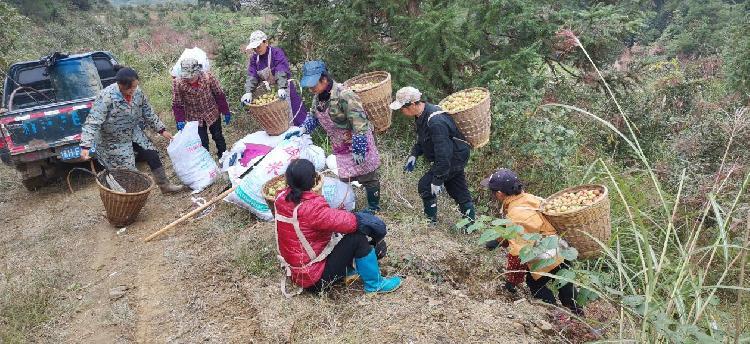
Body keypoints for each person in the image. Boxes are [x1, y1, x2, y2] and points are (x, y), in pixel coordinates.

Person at [274, 159, 401, 295]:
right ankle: (375, 284)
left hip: (298, 274)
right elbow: (350, 223)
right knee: (357, 238)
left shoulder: (280, 198)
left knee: (338, 234)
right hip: (315, 279)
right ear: (313, 181)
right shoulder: (311, 208)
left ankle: (348, 271)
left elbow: (314, 223)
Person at [481, 168, 583, 315]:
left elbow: (517, 254)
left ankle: (555, 314)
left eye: (493, 192)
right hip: (562, 247)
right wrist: (498, 241)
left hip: (546, 253)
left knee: (535, 285)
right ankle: (577, 315)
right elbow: (518, 227)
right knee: (565, 284)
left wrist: (512, 281)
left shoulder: (515, 213)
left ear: (499, 194)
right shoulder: (531, 198)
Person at [293, 60, 382, 213]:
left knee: (368, 175)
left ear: (324, 79)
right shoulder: (318, 98)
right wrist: (304, 128)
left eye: (314, 85)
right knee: (345, 177)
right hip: (340, 144)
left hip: (357, 140)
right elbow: (314, 116)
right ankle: (347, 203)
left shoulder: (344, 94)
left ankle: (374, 206)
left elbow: (360, 121)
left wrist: (359, 147)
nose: (311, 89)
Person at [80, 66, 182, 193]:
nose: (133, 90)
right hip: (113, 140)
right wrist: (85, 146)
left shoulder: (137, 92)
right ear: (120, 85)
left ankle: (165, 185)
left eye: (135, 86)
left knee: (152, 154)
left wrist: (161, 130)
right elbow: (92, 122)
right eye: (130, 88)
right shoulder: (106, 97)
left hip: (133, 132)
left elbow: (147, 112)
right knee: (127, 171)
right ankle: (129, 198)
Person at [390, 86, 475, 226]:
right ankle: (470, 226)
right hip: (454, 155)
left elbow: (444, 154)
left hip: (453, 157)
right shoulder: (421, 115)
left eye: (402, 108)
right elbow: (424, 139)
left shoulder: (436, 121)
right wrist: (414, 154)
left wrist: (437, 179)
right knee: (458, 189)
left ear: (412, 105)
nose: (401, 111)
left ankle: (431, 223)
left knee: (425, 185)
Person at [241, 30, 307, 126]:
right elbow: (252, 75)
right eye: (254, 48)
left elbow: (281, 69)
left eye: (258, 46)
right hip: (272, 93)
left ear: (266, 42)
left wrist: (281, 87)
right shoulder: (255, 59)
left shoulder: (276, 53)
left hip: (285, 89)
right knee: (278, 120)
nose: (256, 49)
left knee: (295, 116)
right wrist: (248, 92)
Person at [172, 58, 231, 159]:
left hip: (211, 112)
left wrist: (225, 111)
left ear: (198, 72)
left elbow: (218, 94)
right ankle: (206, 162)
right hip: (194, 117)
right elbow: (177, 103)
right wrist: (180, 120)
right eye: (187, 77)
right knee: (202, 142)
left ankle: (223, 157)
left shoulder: (208, 77)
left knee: (218, 136)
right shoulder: (178, 83)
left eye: (192, 76)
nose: (190, 79)